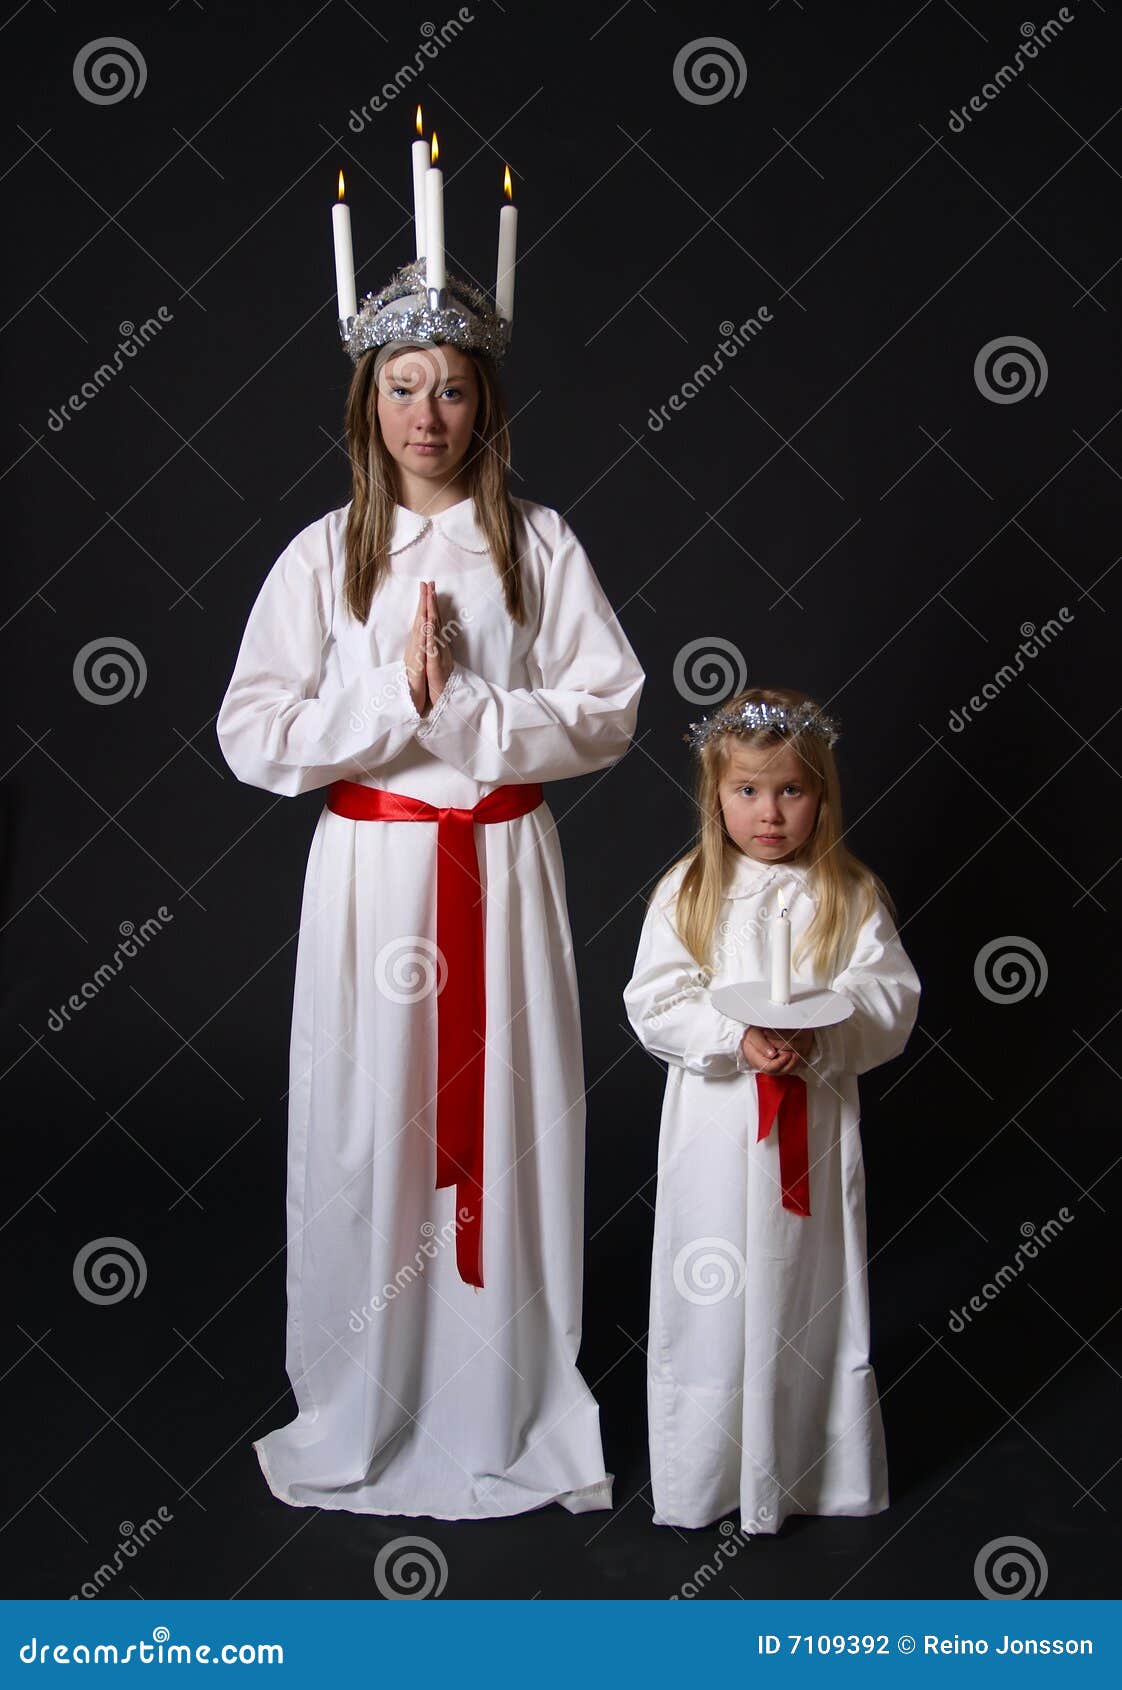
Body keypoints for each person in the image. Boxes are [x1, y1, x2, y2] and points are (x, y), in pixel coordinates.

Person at [216, 257, 644, 1520]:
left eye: (453, 389)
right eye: (402, 386)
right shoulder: (324, 556)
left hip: (499, 872)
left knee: (507, 1126)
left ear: (485, 406)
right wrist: (389, 701)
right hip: (376, 879)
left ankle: (495, 1391)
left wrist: (464, 708)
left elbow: (609, 711)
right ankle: (367, 1391)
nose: (427, 414)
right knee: (372, 1124)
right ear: (367, 403)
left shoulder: (535, 543)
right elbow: (252, 731)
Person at [622, 685, 920, 1535]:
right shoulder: (690, 891)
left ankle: (810, 1471)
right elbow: (656, 998)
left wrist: (821, 1035)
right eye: (747, 790)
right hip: (717, 1135)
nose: (770, 812)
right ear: (715, 794)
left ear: (820, 793)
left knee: (805, 1285)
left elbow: (887, 993)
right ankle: (708, 1476)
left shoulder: (848, 894)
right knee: (712, 1295)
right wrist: (733, 1035)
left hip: (814, 1132)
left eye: (790, 789)